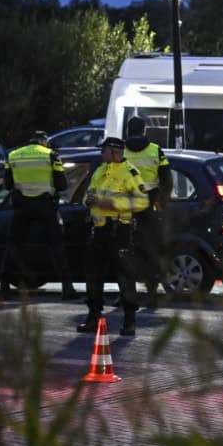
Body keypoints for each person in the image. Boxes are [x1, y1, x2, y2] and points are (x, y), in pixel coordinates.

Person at [79, 137, 144, 336]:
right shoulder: (100, 170)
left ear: (115, 152)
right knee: (93, 275)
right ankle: (93, 316)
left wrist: (112, 204)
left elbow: (141, 202)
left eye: (104, 150)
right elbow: (88, 194)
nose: (101, 153)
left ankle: (129, 320)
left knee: (125, 277)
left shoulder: (130, 172)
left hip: (119, 231)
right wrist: (88, 200)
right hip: (99, 230)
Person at [1, 130, 76, 302]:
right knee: (56, 246)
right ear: (44, 140)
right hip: (45, 205)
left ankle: (4, 287)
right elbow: (62, 184)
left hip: (22, 206)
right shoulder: (51, 155)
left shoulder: (13, 155)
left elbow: (8, 184)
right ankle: (67, 288)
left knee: (14, 246)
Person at [122, 115, 172, 308]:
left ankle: (127, 294)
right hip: (149, 205)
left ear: (128, 130)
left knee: (125, 250)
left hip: (126, 204)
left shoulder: (121, 150)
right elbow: (167, 179)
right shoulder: (155, 150)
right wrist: (162, 202)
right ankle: (151, 294)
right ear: (144, 130)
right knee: (151, 250)